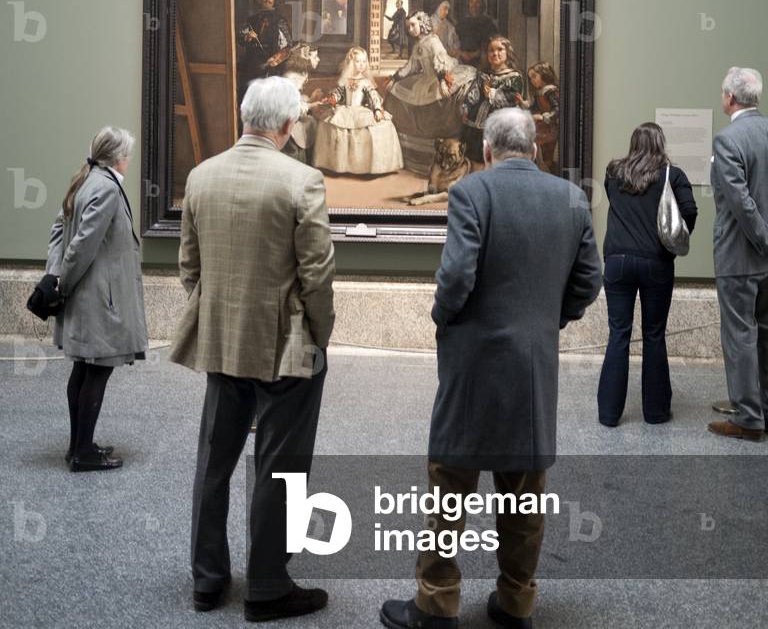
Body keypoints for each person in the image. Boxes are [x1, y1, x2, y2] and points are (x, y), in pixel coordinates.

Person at [381, 108, 602, 629]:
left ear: (486, 149)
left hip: (474, 364)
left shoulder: (472, 193)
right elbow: (589, 280)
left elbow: (456, 274)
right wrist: (548, 321)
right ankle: (516, 601)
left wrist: (443, 317)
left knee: (450, 486)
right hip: (532, 367)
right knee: (525, 492)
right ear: (533, 146)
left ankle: (436, 601)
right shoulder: (571, 198)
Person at [169, 77, 336, 619]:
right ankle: (267, 585)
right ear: (287, 126)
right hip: (286, 345)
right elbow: (317, 276)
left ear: (246, 116)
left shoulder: (201, 176)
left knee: (213, 462)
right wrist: (320, 336)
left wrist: (218, 311)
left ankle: (207, 580)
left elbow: (189, 270)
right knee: (280, 464)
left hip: (222, 341)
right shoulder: (302, 181)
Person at [45, 127, 148, 472]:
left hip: (87, 295)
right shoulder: (106, 188)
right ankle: (83, 453)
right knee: (97, 373)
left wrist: (56, 275)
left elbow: (59, 231)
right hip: (99, 298)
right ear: (119, 157)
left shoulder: (87, 180)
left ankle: (78, 446)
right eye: (128, 154)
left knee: (83, 370)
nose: (129, 160)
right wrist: (63, 283)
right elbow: (83, 244)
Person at [597, 123, 698, 427]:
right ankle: (654, 413)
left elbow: (616, 201)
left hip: (616, 261)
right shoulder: (672, 175)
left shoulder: (614, 173)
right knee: (654, 334)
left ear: (633, 143)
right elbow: (690, 211)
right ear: (660, 143)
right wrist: (675, 238)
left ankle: (609, 414)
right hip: (656, 261)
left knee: (618, 333)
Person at [708, 67, 768, 441]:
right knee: (764, 333)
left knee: (740, 336)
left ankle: (748, 417)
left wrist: (764, 239)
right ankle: (761, 405)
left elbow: (741, 204)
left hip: (740, 255)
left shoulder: (727, 140)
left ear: (730, 98)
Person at [384, 12, 475, 140]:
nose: (410, 29)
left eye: (413, 25)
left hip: (443, 73)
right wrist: (394, 79)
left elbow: (440, 62)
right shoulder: (417, 46)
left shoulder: (433, 40)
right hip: (427, 77)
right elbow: (411, 67)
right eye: (408, 27)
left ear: (422, 23)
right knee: (397, 88)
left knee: (441, 95)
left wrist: (443, 82)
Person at [313, 46, 403, 175]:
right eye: (357, 61)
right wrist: (333, 99)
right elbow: (339, 94)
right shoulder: (345, 80)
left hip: (361, 110)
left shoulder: (366, 82)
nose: (361, 65)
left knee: (380, 126)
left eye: (363, 61)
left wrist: (377, 109)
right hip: (346, 110)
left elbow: (373, 96)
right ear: (351, 62)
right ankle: (341, 165)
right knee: (331, 125)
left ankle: (366, 166)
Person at [461, 36, 525, 163]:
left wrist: (492, 94)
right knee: (474, 159)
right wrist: (466, 108)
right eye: (491, 50)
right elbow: (472, 94)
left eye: (500, 49)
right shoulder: (482, 74)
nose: (495, 53)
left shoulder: (514, 77)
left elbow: (511, 101)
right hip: (475, 126)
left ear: (507, 52)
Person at [239, 0, 292, 86]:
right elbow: (240, 39)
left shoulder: (280, 20)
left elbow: (288, 46)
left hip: (272, 69)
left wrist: (276, 59)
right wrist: (246, 36)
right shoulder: (251, 20)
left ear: (275, 0)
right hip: (252, 68)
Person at [517, 62, 560, 172]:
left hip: (550, 127)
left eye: (534, 76)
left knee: (547, 153)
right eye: (530, 78)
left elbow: (558, 109)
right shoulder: (539, 93)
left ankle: (547, 168)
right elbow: (533, 107)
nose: (532, 80)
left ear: (544, 74)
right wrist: (522, 103)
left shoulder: (551, 91)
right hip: (543, 126)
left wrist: (547, 116)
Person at [455, 0, 499, 66]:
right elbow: (455, 42)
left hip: (482, 61)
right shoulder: (461, 23)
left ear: (482, 5)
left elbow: (492, 43)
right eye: (471, 2)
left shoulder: (488, 23)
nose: (474, 5)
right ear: (468, 5)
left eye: (477, 2)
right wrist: (461, 53)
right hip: (461, 60)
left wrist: (475, 54)